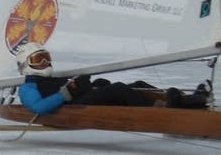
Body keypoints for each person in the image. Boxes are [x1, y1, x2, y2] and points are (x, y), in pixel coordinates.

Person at [15, 42, 155, 115]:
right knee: (118, 88)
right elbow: (39, 108)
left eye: (46, 57)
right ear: (26, 64)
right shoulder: (28, 88)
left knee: (137, 84)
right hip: (72, 106)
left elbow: (73, 89)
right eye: (38, 59)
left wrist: (90, 85)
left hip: (81, 100)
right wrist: (66, 93)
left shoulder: (52, 79)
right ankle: (155, 114)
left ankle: (171, 102)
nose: (44, 62)